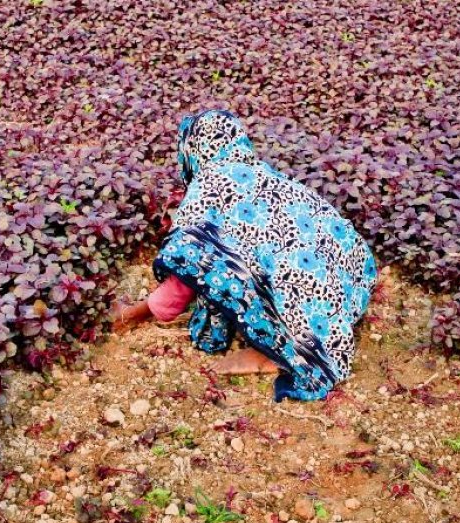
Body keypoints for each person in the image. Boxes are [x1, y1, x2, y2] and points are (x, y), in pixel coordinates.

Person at [113, 110, 378, 401]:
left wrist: (133, 313)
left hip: (298, 307)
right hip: (344, 291)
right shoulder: (268, 176)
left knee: (208, 262)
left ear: (192, 150)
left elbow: (187, 274)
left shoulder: (207, 190)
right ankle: (307, 333)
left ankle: (278, 351)